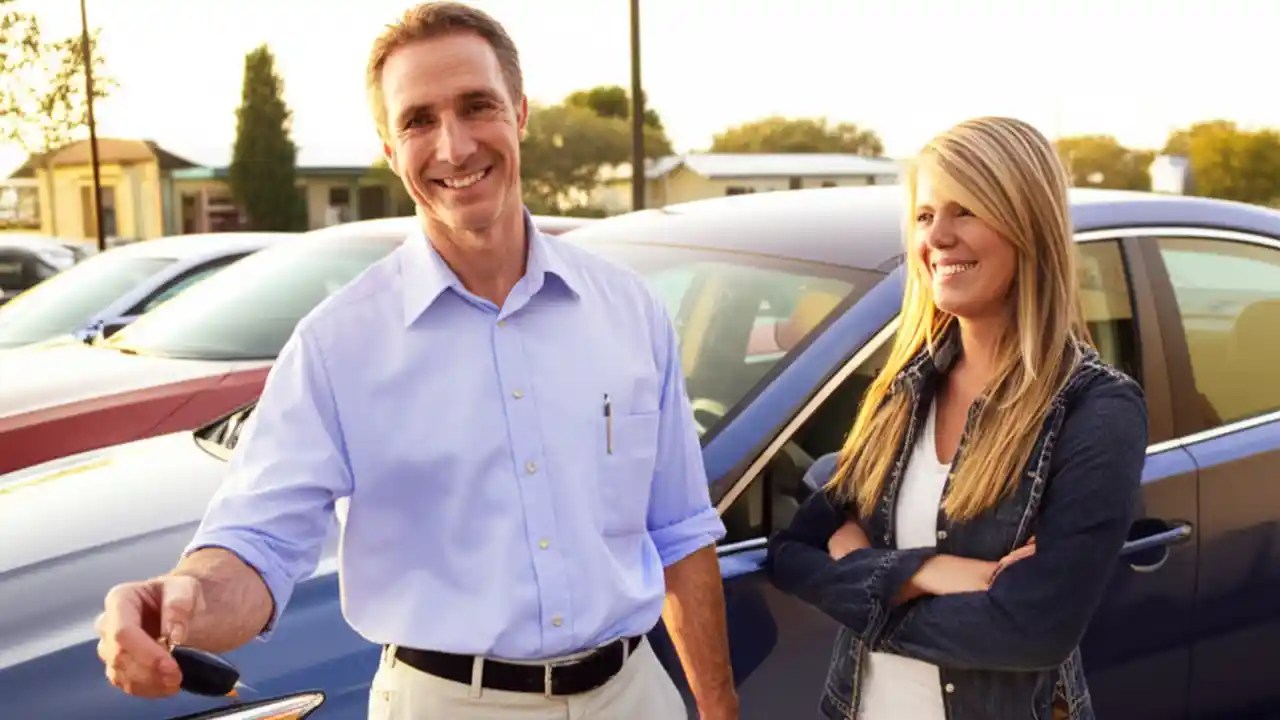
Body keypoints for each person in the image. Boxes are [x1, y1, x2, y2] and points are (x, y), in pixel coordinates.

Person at [93, 3, 739, 719]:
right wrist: (183, 599)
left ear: (520, 111)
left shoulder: (629, 311)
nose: (455, 147)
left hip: (635, 696)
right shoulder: (337, 346)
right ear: (388, 146)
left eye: (477, 106)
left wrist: (717, 706)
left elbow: (680, 531)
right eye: (418, 121)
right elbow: (259, 543)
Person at [766, 116, 1148, 720]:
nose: (938, 237)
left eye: (966, 210)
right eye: (925, 216)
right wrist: (932, 571)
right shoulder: (903, 390)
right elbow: (791, 550)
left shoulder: (1095, 410)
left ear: (1028, 224)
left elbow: (1031, 632)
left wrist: (860, 575)